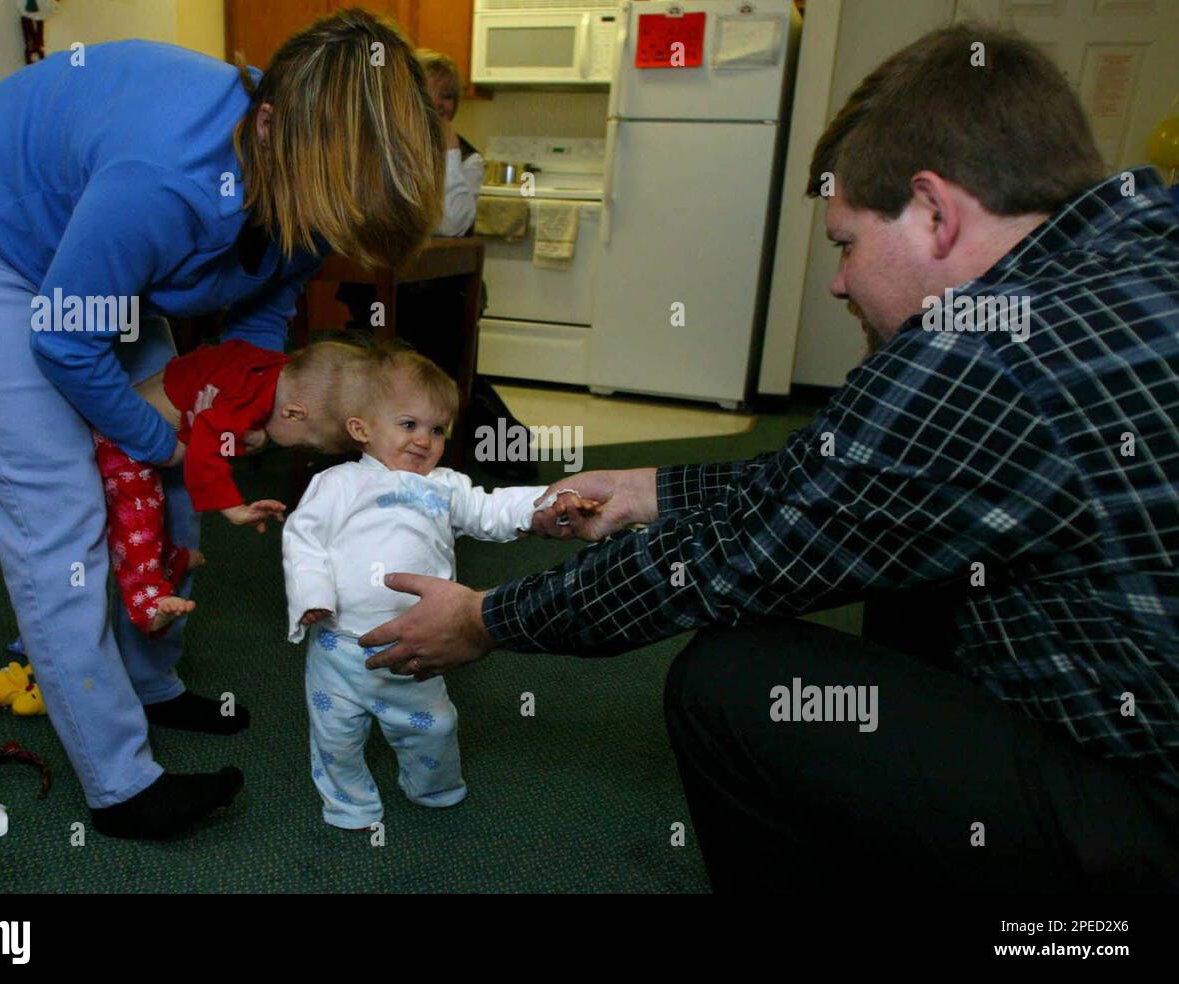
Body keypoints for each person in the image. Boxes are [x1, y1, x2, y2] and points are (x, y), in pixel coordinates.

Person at [355, 25, 1179, 891]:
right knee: (918, 569)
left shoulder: (983, 352)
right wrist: (655, 487)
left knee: (734, 682)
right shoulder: (1132, 248)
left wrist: (485, 618)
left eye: (846, 243)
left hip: (1148, 814)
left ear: (936, 212)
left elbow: (723, 564)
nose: (838, 283)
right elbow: (855, 486)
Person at [0, 9, 445, 840]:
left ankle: (150, 679)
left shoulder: (306, 169)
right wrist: (166, 437)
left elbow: (264, 303)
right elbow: (65, 341)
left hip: (96, 257)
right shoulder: (168, 179)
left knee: (180, 482)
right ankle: (120, 788)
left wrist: (236, 408)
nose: (324, 238)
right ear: (266, 127)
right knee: (60, 511)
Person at [283, 342, 591, 829]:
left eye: (437, 429)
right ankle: (348, 804)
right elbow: (303, 539)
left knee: (434, 726)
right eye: (408, 425)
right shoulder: (338, 484)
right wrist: (313, 597)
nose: (424, 440)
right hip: (339, 643)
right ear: (362, 428)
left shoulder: (445, 486)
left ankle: (432, 786)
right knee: (335, 735)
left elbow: (492, 511)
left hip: (417, 642)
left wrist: (544, 503)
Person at [337, 48, 537, 482]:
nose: (438, 104)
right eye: (427, 94)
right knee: (380, 348)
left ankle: (459, 445)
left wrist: (445, 148)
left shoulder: (466, 157)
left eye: (447, 96)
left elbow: (451, 221)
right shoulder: (378, 149)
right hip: (382, 283)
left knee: (433, 358)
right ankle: (382, 444)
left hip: (446, 287)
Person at [100, 335, 374, 636]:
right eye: (307, 445)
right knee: (138, 517)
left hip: (147, 414)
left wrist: (246, 431)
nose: (300, 450)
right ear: (294, 413)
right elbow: (204, 449)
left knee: (163, 507)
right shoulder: (244, 406)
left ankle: (169, 559)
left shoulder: (273, 370)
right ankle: (146, 605)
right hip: (118, 442)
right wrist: (234, 509)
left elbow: (218, 393)